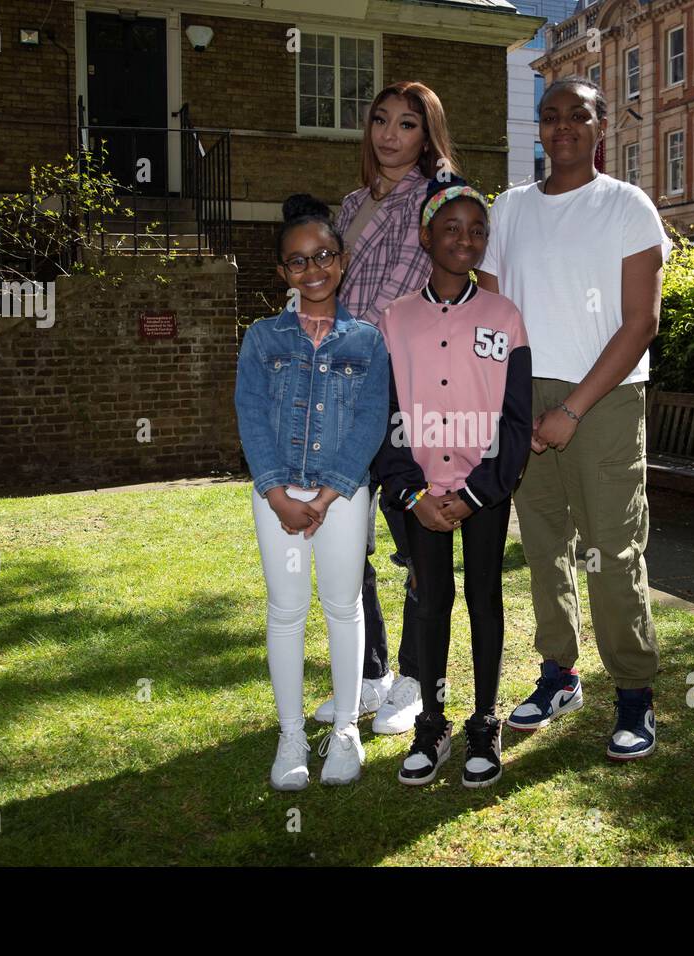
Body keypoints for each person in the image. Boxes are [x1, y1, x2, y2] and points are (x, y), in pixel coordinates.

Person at [477, 77, 673, 761]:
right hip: (524, 395)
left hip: (604, 398)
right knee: (542, 546)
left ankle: (634, 691)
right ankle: (559, 674)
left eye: (577, 117)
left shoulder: (626, 206)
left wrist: (571, 408)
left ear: (600, 127)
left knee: (613, 553)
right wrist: (507, 401)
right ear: (539, 128)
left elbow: (641, 321)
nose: (563, 127)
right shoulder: (509, 208)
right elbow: (495, 313)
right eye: (551, 116)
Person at [312, 81, 464, 735]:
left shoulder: (440, 200)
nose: (388, 134)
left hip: (408, 390)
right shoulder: (350, 204)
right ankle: (369, 674)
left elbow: (407, 294)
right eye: (380, 120)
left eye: (406, 125)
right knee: (344, 543)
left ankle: (417, 678)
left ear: (426, 138)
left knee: (417, 542)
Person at [375, 182, 532, 787]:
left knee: (484, 601)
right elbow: (384, 414)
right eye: (451, 227)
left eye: (476, 230)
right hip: (420, 495)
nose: (465, 238)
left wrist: (474, 493)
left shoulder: (504, 316)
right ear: (426, 237)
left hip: (483, 492)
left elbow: (515, 419)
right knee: (431, 602)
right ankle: (433, 722)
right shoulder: (395, 319)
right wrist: (413, 493)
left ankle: (484, 721)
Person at [234, 194, 389, 790]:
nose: (313, 269)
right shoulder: (262, 339)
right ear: (283, 273)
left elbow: (371, 421)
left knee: (344, 607)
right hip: (277, 494)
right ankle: (292, 734)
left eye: (324, 255)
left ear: (342, 260)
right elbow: (250, 416)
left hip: (342, 496)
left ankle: (346, 728)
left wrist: (325, 498)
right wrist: (278, 494)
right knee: (286, 611)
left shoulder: (367, 342)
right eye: (298, 262)